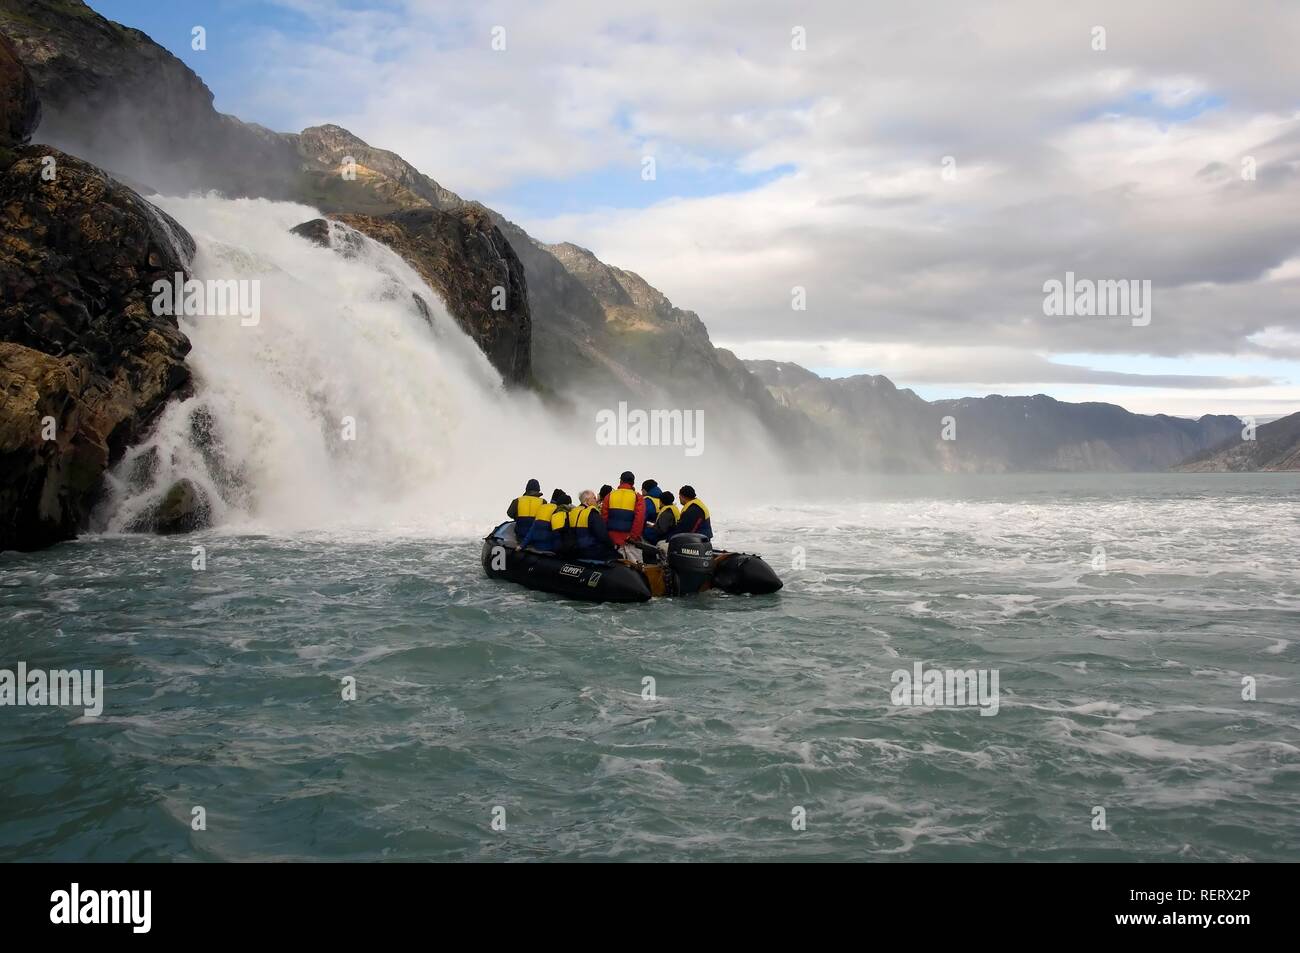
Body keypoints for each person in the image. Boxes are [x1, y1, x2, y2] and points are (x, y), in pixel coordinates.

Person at [601, 470, 646, 562]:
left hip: (613, 541)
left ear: (621, 481)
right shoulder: (638, 497)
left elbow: (604, 519)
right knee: (636, 570)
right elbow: (639, 519)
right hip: (630, 541)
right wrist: (633, 536)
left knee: (615, 569)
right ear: (633, 483)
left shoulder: (609, 495)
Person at [568, 489, 615, 559]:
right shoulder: (592, 513)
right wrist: (612, 545)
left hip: (574, 551)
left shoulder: (572, 513)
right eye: (594, 498)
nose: (596, 500)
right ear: (587, 501)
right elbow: (602, 535)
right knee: (617, 555)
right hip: (590, 551)